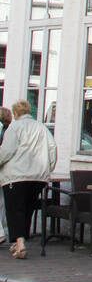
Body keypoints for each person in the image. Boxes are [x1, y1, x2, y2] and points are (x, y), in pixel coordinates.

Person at [0, 101, 57, 259]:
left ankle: (20, 244)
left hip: (16, 175)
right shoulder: (41, 128)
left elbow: (6, 151)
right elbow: (52, 149)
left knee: (15, 209)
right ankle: (20, 240)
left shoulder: (15, 127)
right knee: (27, 209)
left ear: (16, 114)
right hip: (38, 177)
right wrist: (48, 169)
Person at [0, 108, 11, 246]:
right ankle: (3, 230)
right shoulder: (9, 130)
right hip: (7, 170)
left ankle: (1, 232)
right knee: (1, 202)